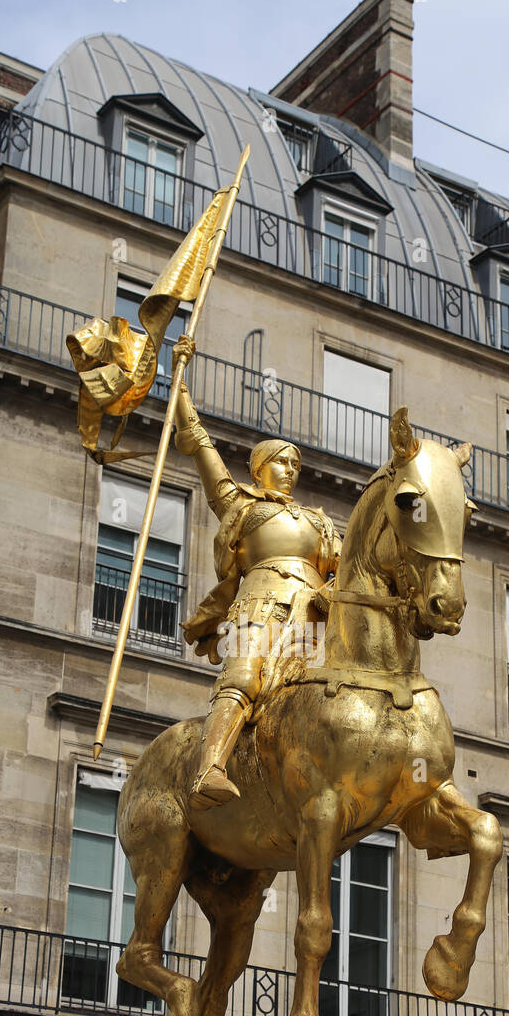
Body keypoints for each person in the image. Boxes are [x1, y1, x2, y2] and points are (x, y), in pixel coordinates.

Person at [173, 335, 341, 807]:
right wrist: (180, 379)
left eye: (294, 463)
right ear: (258, 470)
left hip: (308, 619)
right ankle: (209, 768)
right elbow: (199, 445)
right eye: (278, 462)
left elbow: (350, 570)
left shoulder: (317, 522)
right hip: (257, 609)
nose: (288, 470)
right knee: (243, 680)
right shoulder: (242, 507)